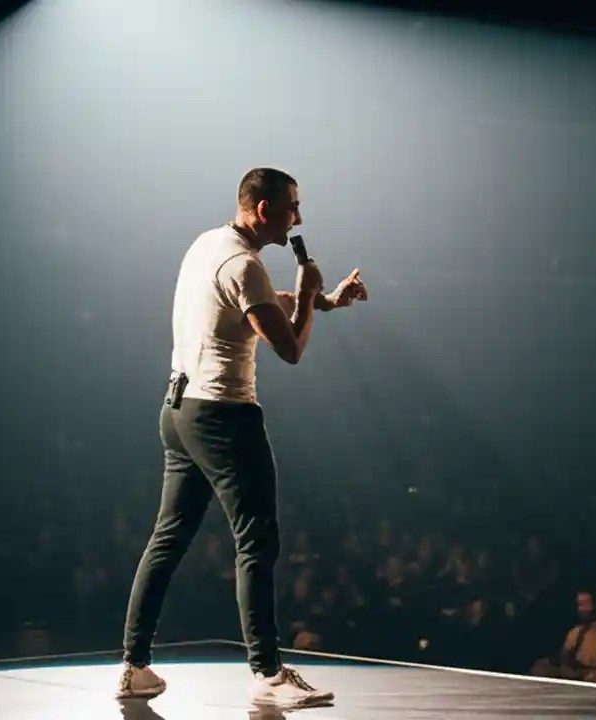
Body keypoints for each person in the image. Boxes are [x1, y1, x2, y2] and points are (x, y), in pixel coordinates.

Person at [115, 168, 367, 709]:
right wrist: (306, 296)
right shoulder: (245, 263)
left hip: (178, 411)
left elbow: (254, 299)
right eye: (292, 206)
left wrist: (326, 299)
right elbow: (290, 348)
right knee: (258, 539)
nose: (298, 218)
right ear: (262, 211)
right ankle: (268, 673)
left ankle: (133, 666)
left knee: (170, 538)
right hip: (225, 416)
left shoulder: (211, 246)